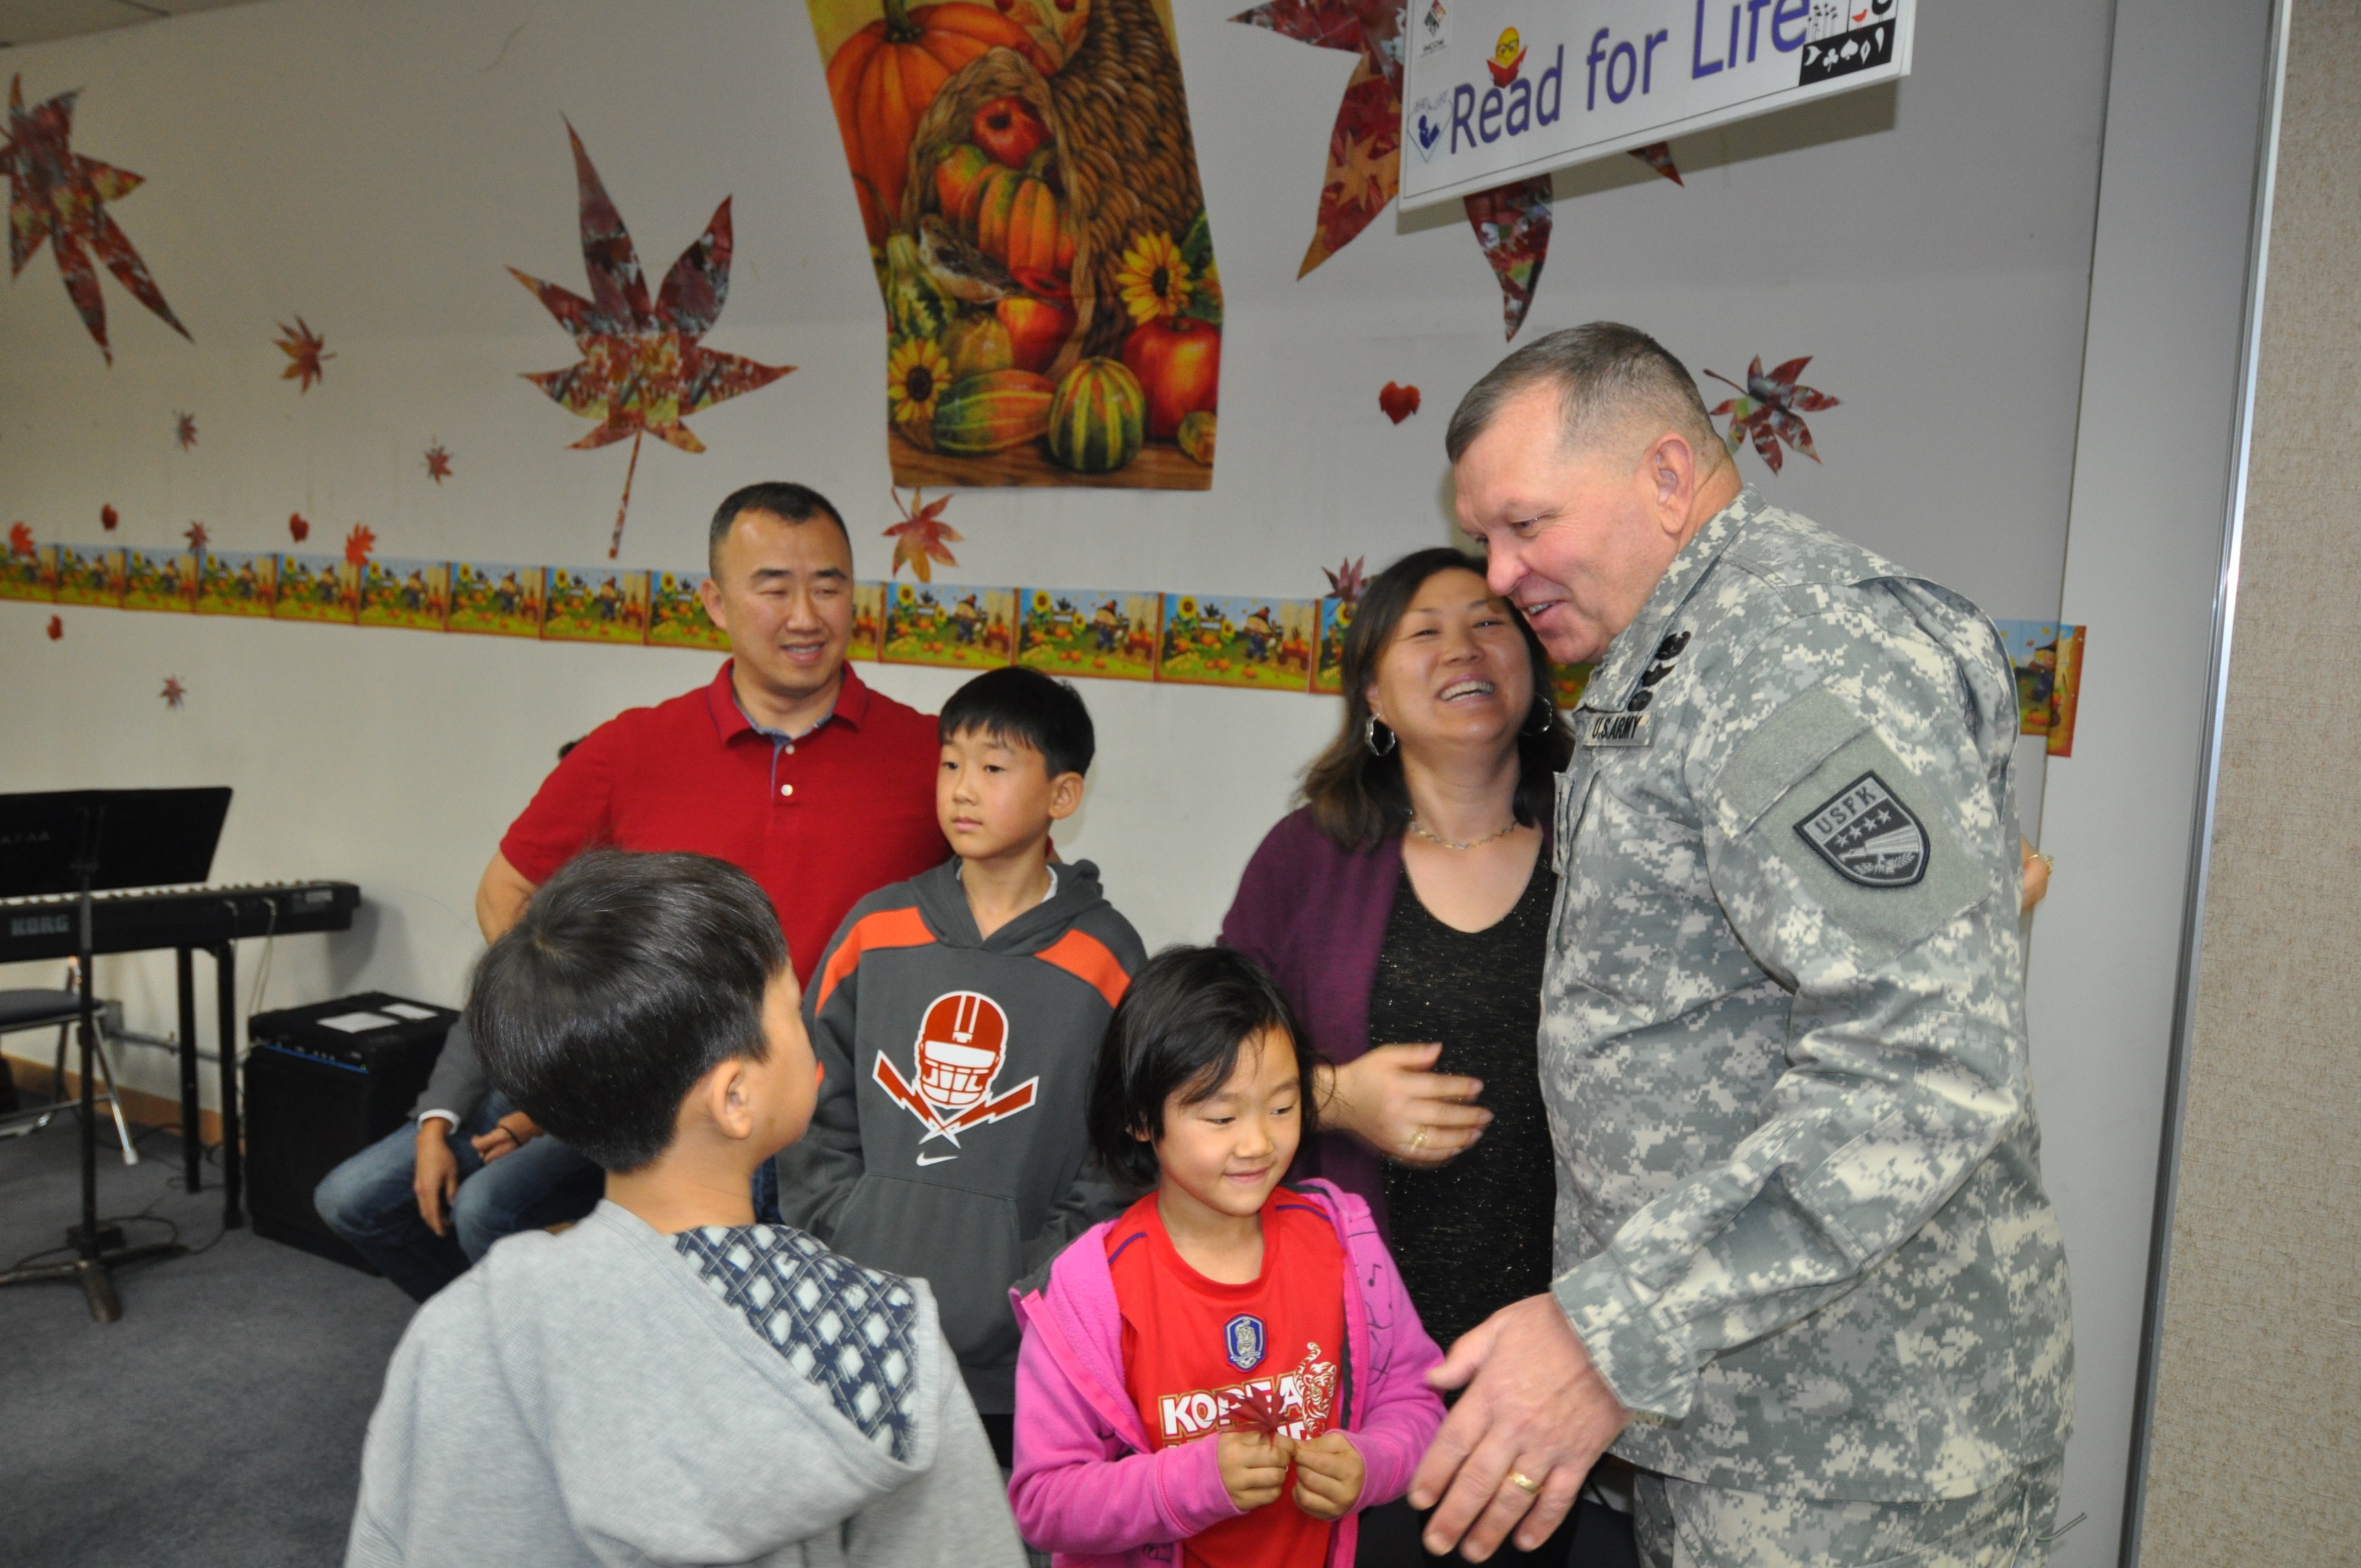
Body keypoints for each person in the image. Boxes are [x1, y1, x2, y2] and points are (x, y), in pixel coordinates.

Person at [1406, 323, 2073, 1567]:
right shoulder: (1675, 650)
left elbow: (1926, 1063)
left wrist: (1610, 1328)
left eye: (1525, 523)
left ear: (1666, 474)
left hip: (1853, 1439)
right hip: (1730, 1411)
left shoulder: (1791, 656)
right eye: (1483, 537)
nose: (1499, 572)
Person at [315, 481, 948, 1301]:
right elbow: (506, 893)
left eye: (828, 587)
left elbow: (1010, 915)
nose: (806, 616)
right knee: (372, 1201)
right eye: (774, 588)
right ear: (715, 602)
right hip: (648, 1090)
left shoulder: (932, 757)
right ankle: (519, 1344)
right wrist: (597, 1053)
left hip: (817, 1111)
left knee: (497, 1213)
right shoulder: (634, 747)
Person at [345, 850, 1024, 1568]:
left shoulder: (457, 1328)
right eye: (793, 1011)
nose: (813, 1030)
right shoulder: (885, 1340)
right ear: (735, 1098)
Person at [1223, 549, 1606, 1564]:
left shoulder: (1613, 840)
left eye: (1489, 622)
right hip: (1352, 1360)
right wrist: (1333, 1095)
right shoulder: (1306, 856)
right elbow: (1199, 1064)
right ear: (1373, 693)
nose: (1462, 649)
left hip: (1563, 1358)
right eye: (1423, 632)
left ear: (1533, 663)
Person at [775, 666, 1147, 1468]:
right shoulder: (878, 928)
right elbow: (807, 1100)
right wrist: (844, 1234)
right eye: (950, 763)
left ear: (1062, 795)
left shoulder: (1107, 958)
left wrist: (1033, 1280)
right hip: (858, 1330)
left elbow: (1121, 1152)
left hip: (1018, 1366)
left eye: (994, 766)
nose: (963, 789)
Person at [1009, 945, 1449, 1567]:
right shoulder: (1089, 1290)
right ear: (1141, 1117)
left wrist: (1371, 1463)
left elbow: (1416, 1402)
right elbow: (1045, 1501)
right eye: (1221, 1116)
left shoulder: (1342, 1239)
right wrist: (1189, 1484)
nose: (1258, 1142)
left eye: (1282, 1107)